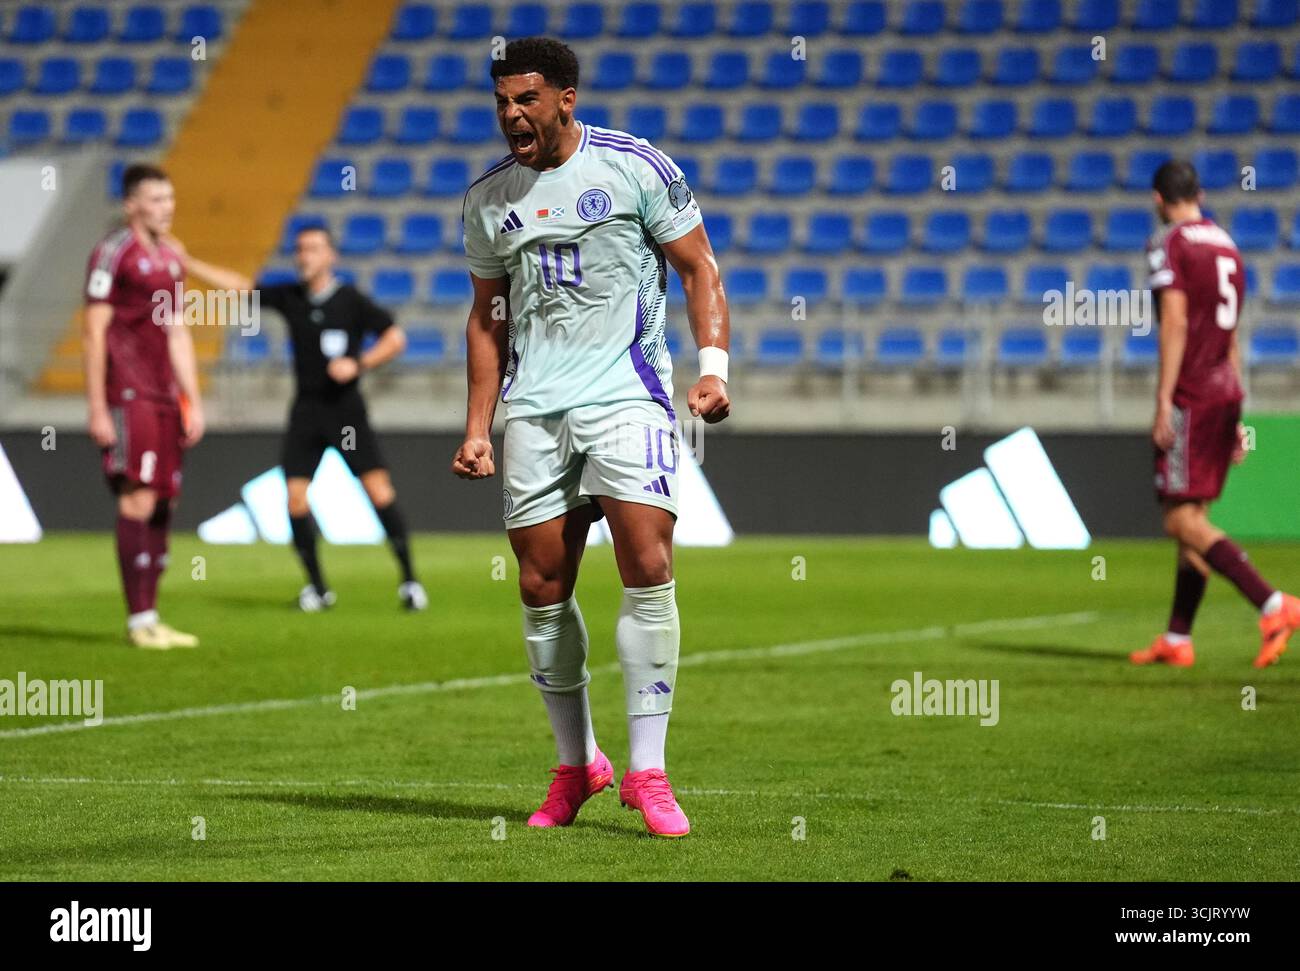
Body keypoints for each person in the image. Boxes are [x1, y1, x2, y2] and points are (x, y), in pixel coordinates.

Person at [452, 38, 731, 837]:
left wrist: (712, 367)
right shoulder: (488, 198)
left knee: (647, 562)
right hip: (535, 410)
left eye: (527, 99)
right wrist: (479, 426)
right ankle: (578, 766)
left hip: (627, 398)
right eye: (503, 101)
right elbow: (485, 318)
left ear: (565, 99)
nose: (512, 114)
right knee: (542, 589)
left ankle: (649, 770)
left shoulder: (636, 167)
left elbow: (699, 267)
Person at [179, 226, 426, 612]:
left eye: (313, 248)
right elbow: (240, 288)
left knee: (378, 491)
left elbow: (395, 338)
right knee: (294, 499)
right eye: (300, 249)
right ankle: (318, 589)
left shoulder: (351, 300)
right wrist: (188, 263)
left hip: (346, 412)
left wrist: (359, 364)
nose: (304, 255)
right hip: (307, 412)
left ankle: (410, 582)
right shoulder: (291, 297)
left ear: (331, 256)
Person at [1132, 159, 1300, 669]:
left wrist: (1164, 400)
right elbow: (1230, 337)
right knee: (1195, 518)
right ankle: (1178, 638)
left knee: (1180, 519)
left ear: (1158, 200)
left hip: (1193, 393)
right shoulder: (1227, 244)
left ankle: (1274, 605)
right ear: (1200, 194)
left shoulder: (1169, 243)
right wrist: (1237, 410)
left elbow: (1175, 322)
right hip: (1224, 389)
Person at [83, 163, 204, 649]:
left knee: (163, 502)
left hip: (162, 397)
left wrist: (191, 397)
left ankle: (153, 616)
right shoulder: (113, 253)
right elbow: (94, 331)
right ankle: (137, 622)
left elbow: (177, 330)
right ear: (131, 204)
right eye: (156, 200)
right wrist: (96, 407)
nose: (166, 208)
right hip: (127, 393)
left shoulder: (172, 259)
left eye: (170, 199)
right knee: (136, 498)